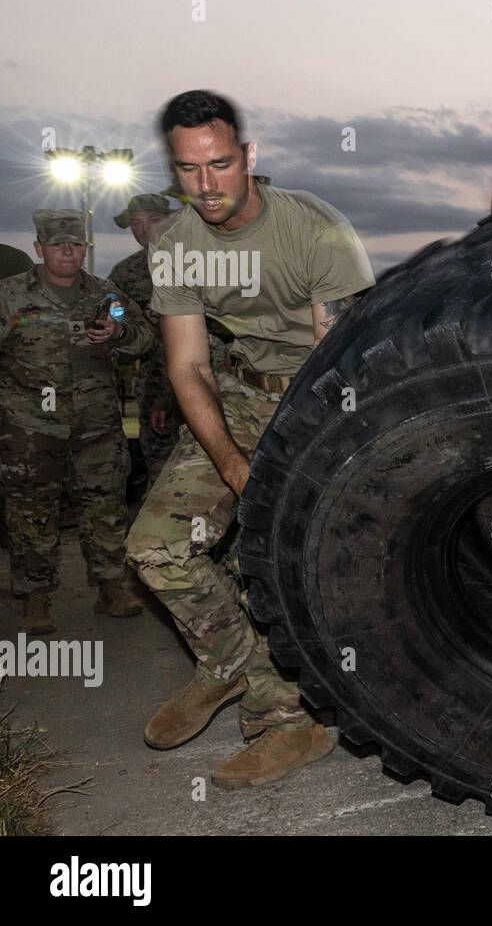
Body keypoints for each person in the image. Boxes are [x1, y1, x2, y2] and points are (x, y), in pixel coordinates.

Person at [126, 90, 374, 788]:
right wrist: (235, 466)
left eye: (221, 163)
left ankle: (291, 722)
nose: (207, 185)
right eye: (189, 169)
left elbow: (339, 362)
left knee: (270, 553)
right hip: (236, 391)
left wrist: (289, 466)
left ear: (249, 157)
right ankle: (228, 662)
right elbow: (188, 365)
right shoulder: (176, 243)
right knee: (156, 546)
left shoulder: (314, 229)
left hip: (318, 396)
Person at [1, 209, 156, 634]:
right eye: (58, 245)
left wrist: (117, 333)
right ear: (39, 249)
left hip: (96, 426)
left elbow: (143, 339)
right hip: (29, 426)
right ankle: (35, 596)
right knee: (31, 511)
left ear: (85, 249)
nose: (68, 252)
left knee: (105, 505)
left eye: (76, 245)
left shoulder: (108, 297)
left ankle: (110, 587)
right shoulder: (10, 295)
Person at [109, 193, 231, 485]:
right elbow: (118, 325)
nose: (143, 229)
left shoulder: (203, 262)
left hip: (210, 378)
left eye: (153, 220)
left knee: (215, 463)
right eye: (136, 223)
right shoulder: (124, 273)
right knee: (160, 466)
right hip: (154, 381)